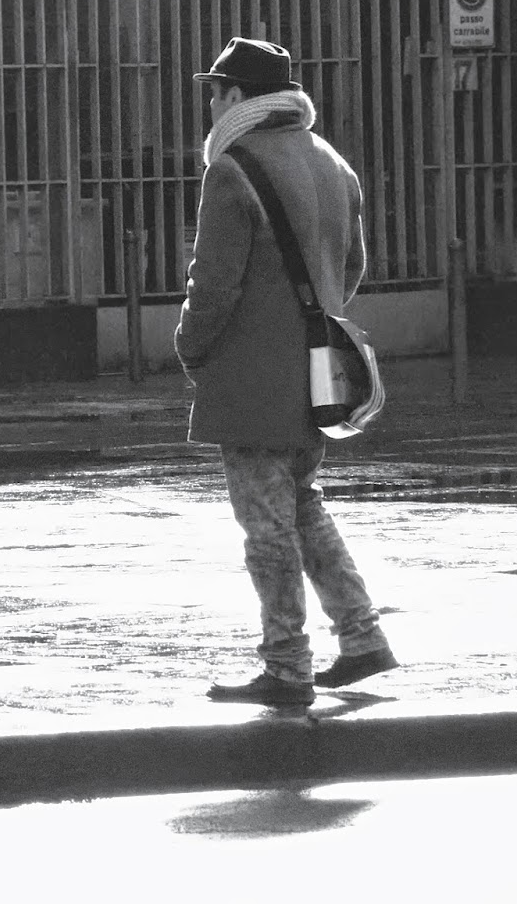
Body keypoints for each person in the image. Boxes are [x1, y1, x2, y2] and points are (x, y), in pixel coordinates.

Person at [176, 36, 397, 707]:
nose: (211, 102)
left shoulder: (233, 169)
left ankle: (286, 665)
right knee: (302, 507)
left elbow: (213, 285)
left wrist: (190, 346)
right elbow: (351, 269)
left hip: (250, 377)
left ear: (237, 96)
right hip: (314, 375)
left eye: (216, 90)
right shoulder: (333, 163)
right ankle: (361, 639)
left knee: (265, 524)